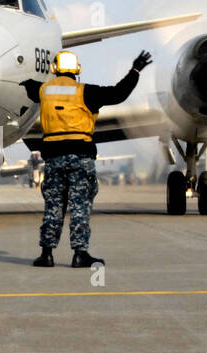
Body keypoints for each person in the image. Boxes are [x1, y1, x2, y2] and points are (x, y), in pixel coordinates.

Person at [20, 48, 153, 267]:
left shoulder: (43, 91)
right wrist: (135, 70)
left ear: (55, 69)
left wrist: (24, 79)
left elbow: (30, 88)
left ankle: (46, 254)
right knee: (79, 205)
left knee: (54, 205)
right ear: (77, 69)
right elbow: (119, 93)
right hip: (80, 157)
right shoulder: (86, 92)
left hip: (53, 158)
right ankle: (80, 254)